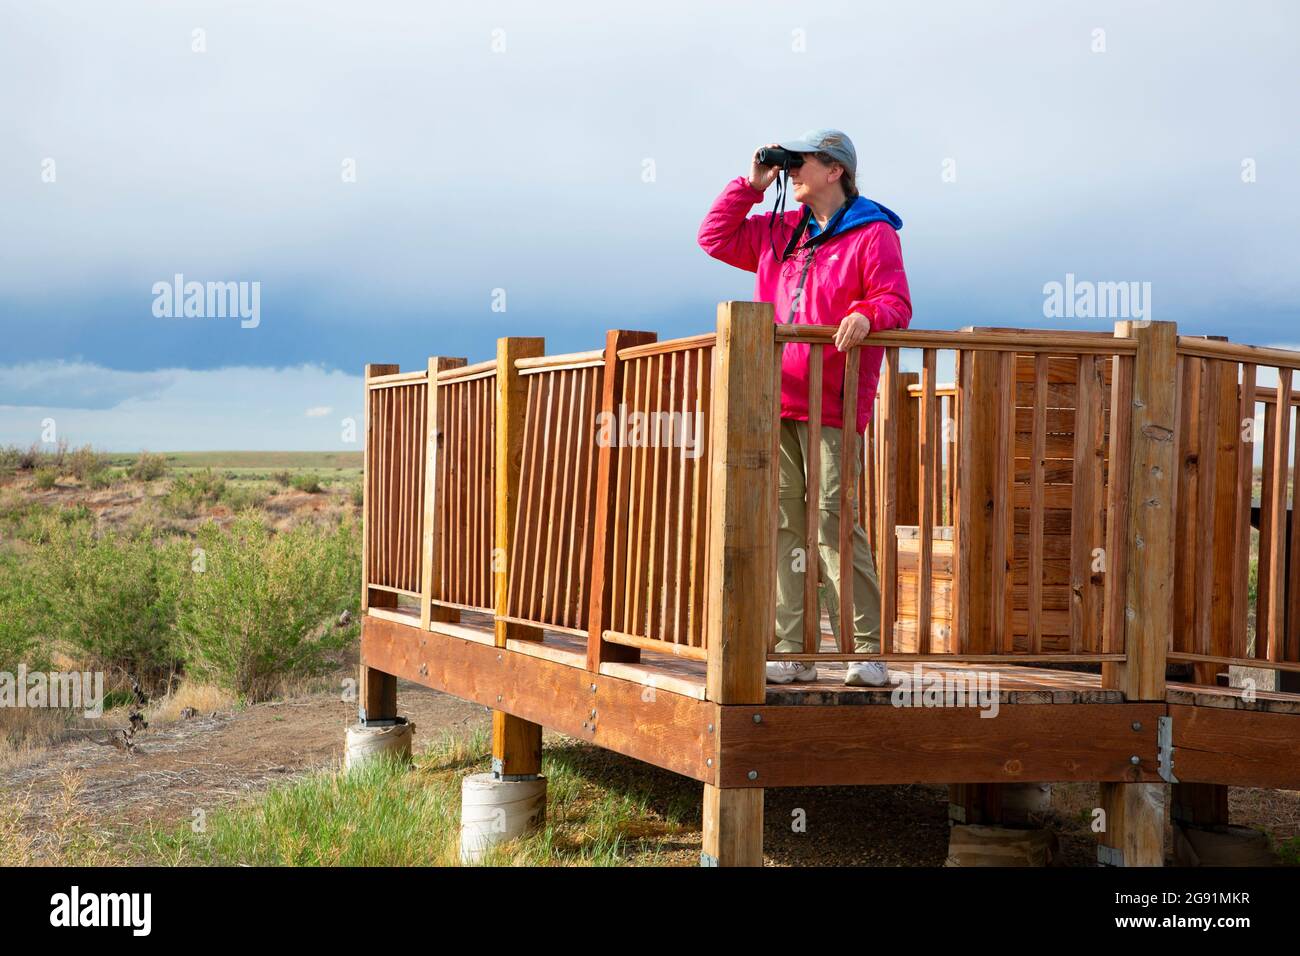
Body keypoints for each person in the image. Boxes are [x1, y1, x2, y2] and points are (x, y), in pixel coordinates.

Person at [697, 129, 912, 686]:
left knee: (835, 522)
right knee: (789, 524)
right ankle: (792, 652)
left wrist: (867, 313)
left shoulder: (873, 232)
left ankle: (866, 653)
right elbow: (713, 238)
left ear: (835, 169)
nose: (792, 170)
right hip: (779, 400)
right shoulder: (778, 230)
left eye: (803, 162)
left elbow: (895, 300)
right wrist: (750, 185)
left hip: (835, 400)